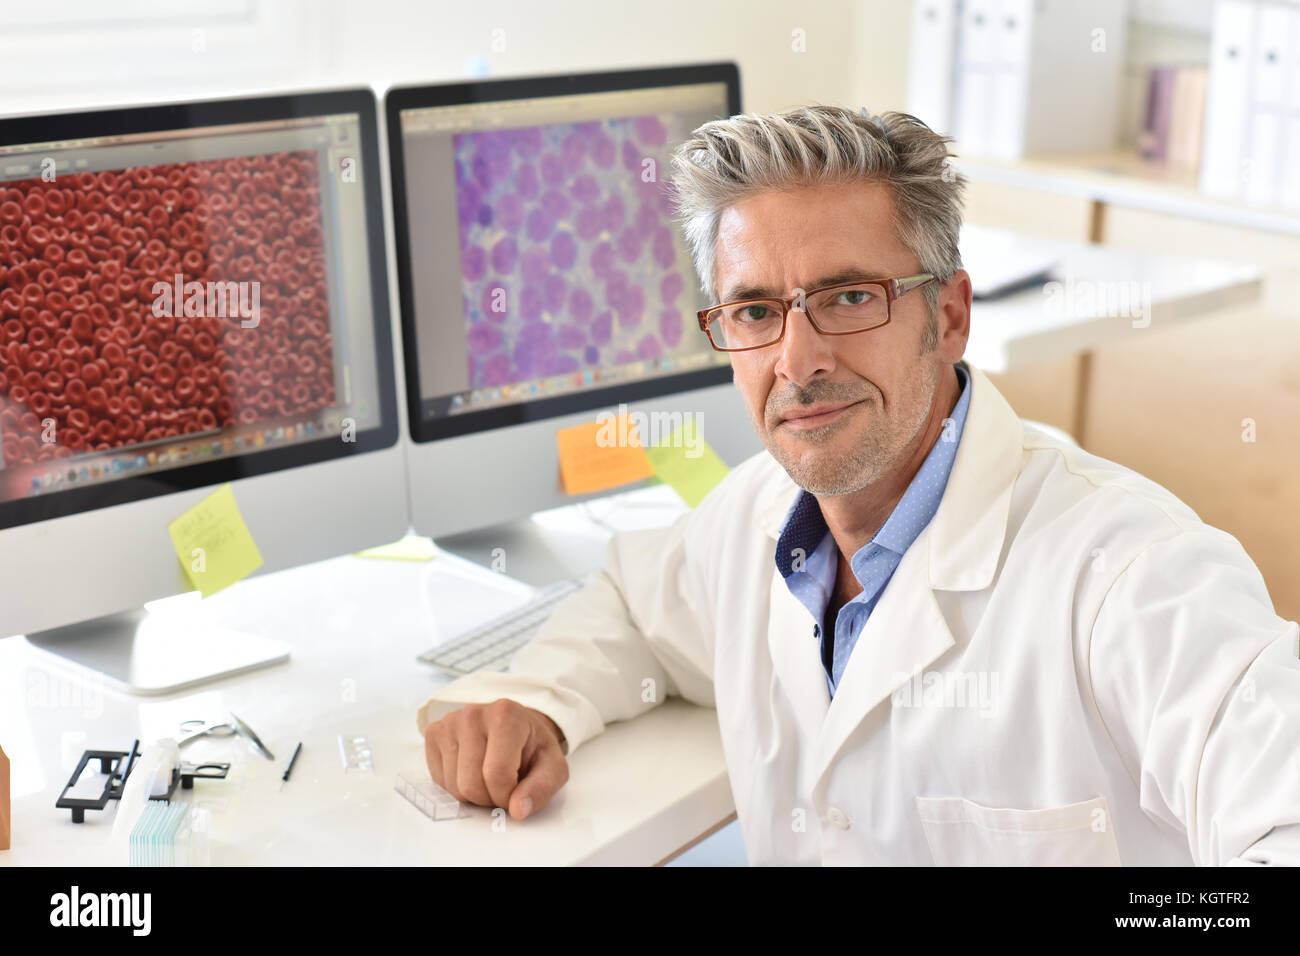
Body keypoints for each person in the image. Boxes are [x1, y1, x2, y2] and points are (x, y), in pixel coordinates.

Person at [417, 105, 1300, 865]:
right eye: (756, 311)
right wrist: (534, 705)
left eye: (847, 298)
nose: (797, 362)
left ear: (947, 317)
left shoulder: (1133, 574)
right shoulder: (755, 520)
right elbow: (634, 610)